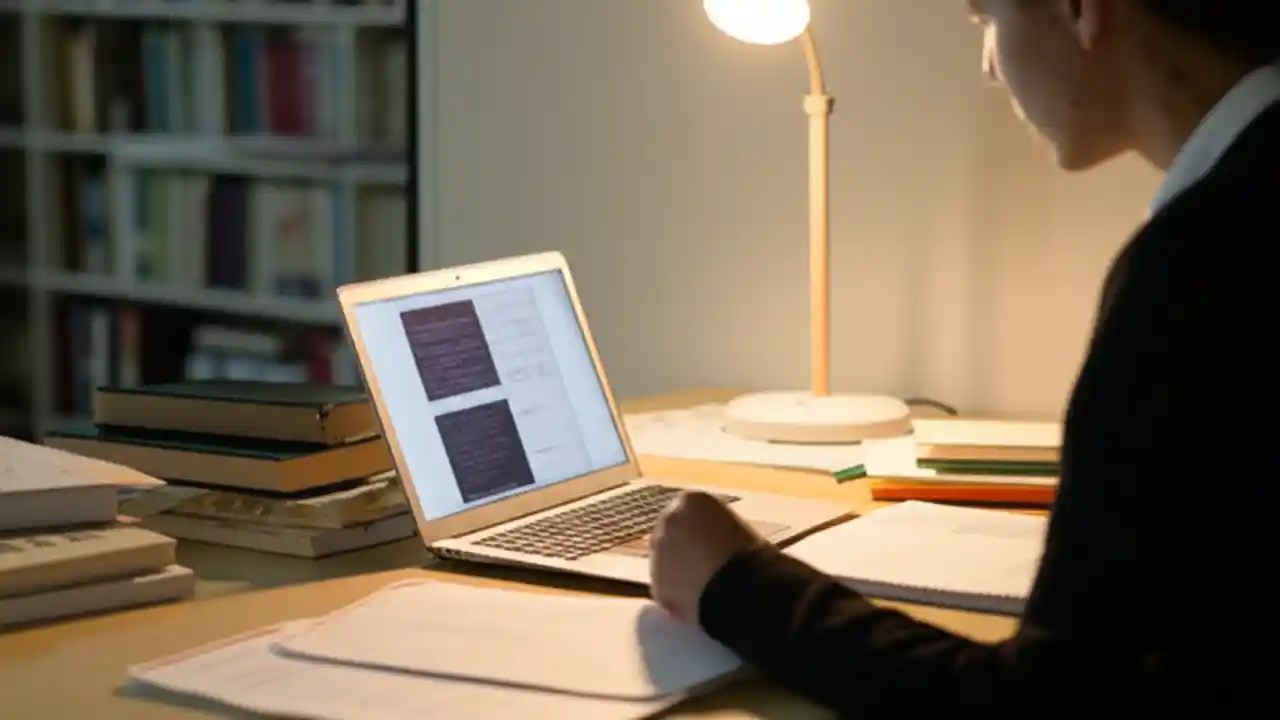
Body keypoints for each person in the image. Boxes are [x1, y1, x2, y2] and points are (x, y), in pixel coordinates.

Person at [649, 0, 1279, 714]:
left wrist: (737, 585)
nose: (988, 67)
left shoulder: (1203, 264)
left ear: (1079, 10)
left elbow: (1045, 705)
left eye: (986, 19)